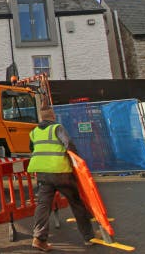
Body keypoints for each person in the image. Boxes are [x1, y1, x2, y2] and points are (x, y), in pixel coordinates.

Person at [27, 108, 95, 252]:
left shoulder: (34, 132)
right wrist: (76, 162)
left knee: (43, 205)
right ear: (53, 116)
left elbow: (32, 149)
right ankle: (88, 237)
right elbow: (69, 145)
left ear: (41, 117)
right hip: (61, 173)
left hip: (42, 173)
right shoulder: (57, 128)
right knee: (76, 203)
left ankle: (39, 239)